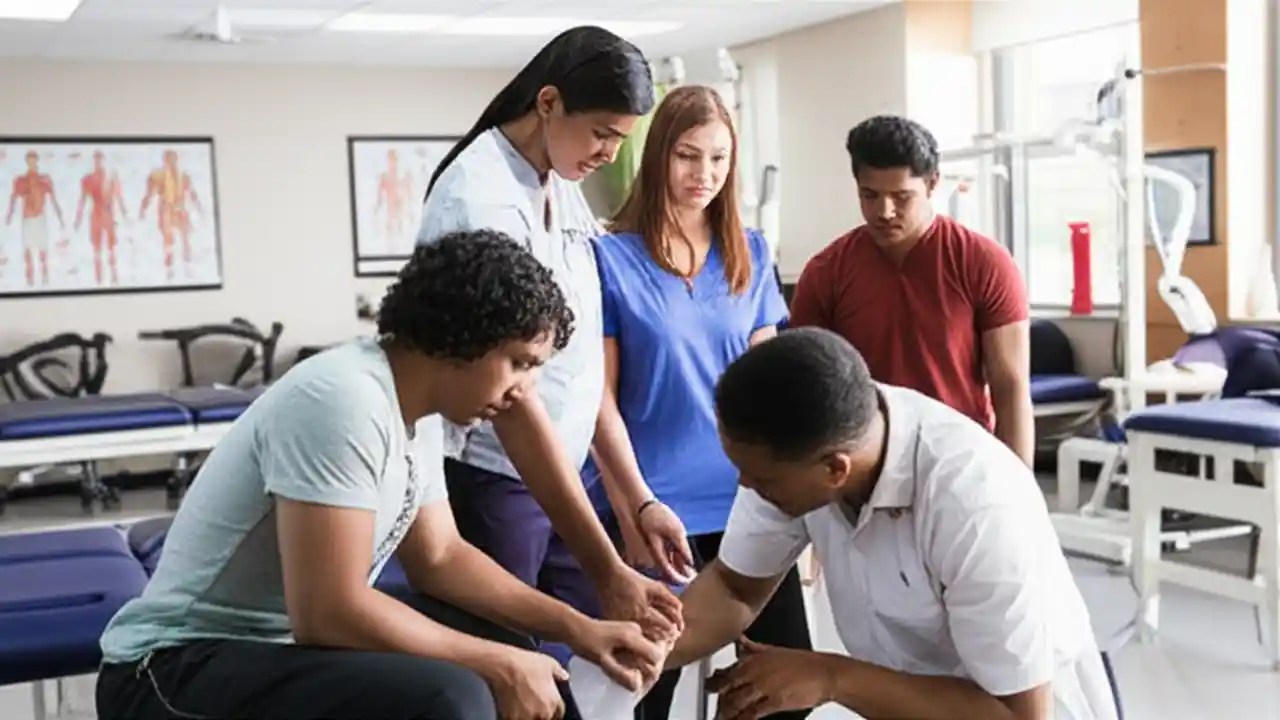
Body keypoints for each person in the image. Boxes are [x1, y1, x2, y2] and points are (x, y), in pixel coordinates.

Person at [96, 230, 665, 720]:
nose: (524, 391)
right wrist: (495, 664)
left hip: (274, 649)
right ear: (462, 338)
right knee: (453, 695)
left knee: (507, 644)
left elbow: (440, 557)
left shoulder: (412, 412)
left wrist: (577, 628)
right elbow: (328, 612)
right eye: (517, 362)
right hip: (169, 670)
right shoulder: (343, 399)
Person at [662, 328, 1119, 720]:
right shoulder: (799, 445)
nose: (745, 485)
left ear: (834, 469)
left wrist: (831, 677)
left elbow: (1018, 714)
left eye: (760, 479)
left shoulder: (973, 504)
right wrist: (646, 652)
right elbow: (734, 587)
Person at [417, 25, 691, 662]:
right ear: (547, 103)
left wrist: (636, 497)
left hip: (567, 477)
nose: (607, 153)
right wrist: (605, 563)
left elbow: (580, 361)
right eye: (601, 133)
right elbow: (510, 396)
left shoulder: (560, 185)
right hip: (495, 480)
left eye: (620, 141)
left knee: (586, 665)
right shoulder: (479, 196)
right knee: (509, 673)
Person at [592, 84, 810, 719]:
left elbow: (775, 387)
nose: (704, 174)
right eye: (689, 156)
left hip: (754, 505)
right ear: (659, 155)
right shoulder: (610, 259)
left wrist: (807, 508)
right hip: (659, 509)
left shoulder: (752, 251)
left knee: (779, 691)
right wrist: (633, 508)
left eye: (719, 159)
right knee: (641, 690)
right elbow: (598, 401)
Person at [788, 115, 1034, 466]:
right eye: (869, 195)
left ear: (933, 184)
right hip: (863, 465)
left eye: (901, 197)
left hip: (960, 458)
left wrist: (1020, 496)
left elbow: (1010, 389)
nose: (884, 212)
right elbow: (809, 389)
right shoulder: (826, 272)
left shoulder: (984, 262)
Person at [139, 149, 201, 280]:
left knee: (185, 237)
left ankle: (188, 266)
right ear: (165, 160)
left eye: (174, 159)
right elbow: (149, 194)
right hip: (166, 208)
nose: (172, 162)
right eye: (169, 159)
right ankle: (169, 269)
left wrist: (199, 207)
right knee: (168, 240)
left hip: (180, 207)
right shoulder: (158, 175)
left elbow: (192, 192)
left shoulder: (183, 175)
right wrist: (143, 209)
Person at [5, 150, 63, 288]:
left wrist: (60, 217)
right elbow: (13, 198)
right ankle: (29, 279)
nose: (32, 162)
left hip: (40, 218)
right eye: (29, 160)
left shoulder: (44, 179)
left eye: (34, 160)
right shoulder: (20, 181)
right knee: (28, 249)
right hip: (27, 218)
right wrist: (9, 215)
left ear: (37, 161)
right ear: (27, 162)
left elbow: (53, 199)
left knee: (42, 248)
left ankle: (45, 276)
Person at [75, 150, 128, 286]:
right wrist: (78, 218)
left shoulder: (111, 178)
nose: (98, 162)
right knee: (97, 248)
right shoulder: (88, 179)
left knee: (111, 248)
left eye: (100, 160)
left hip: (108, 214)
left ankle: (114, 275)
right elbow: (82, 199)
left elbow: (119, 197)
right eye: (96, 160)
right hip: (96, 214)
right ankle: (98, 279)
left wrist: (125, 214)